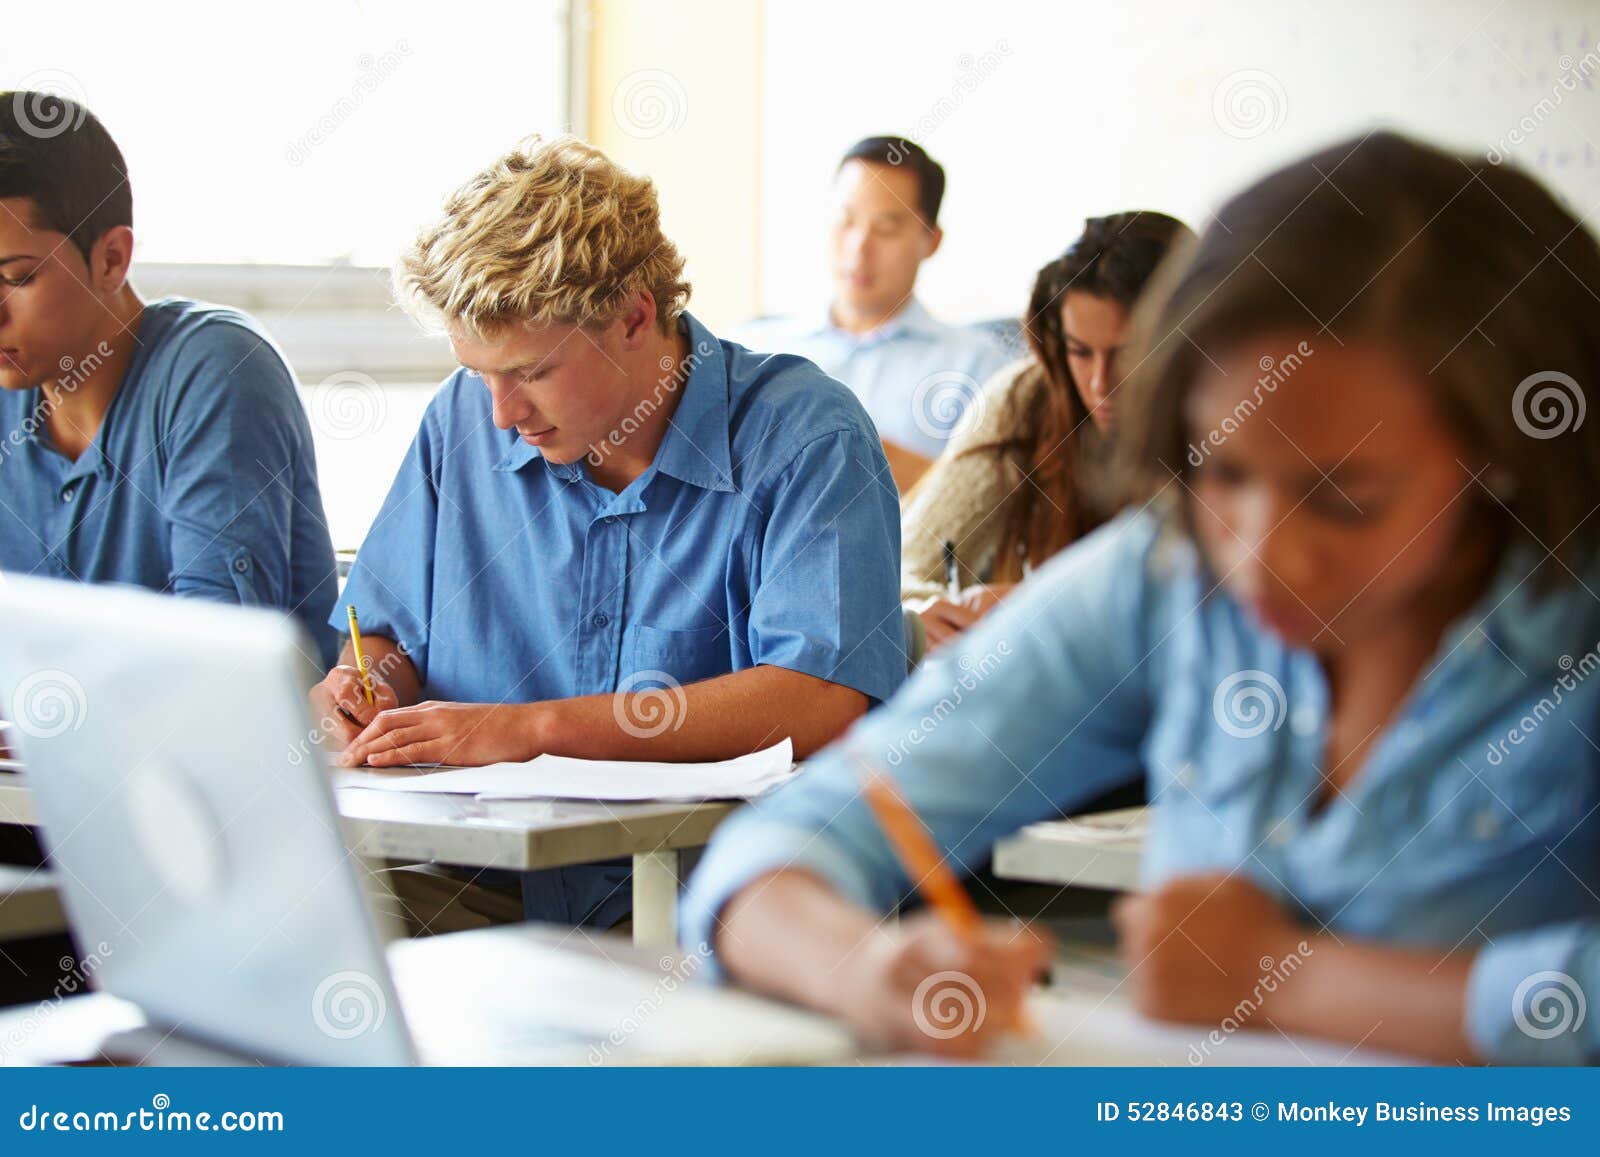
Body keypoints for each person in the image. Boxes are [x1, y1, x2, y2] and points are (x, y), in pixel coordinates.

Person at [683, 132, 1600, 1065]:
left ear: (1508, 459)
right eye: (1225, 473)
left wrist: (1283, 977)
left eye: (1346, 498)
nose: (1262, 556)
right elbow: (791, 838)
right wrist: (869, 970)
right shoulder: (1162, 574)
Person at [310, 136, 905, 928]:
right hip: (480, 886)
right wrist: (366, 688)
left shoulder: (806, 437)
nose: (500, 413)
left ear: (634, 317)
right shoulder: (461, 422)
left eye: (530, 373)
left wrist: (532, 731)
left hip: (711, 904)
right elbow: (383, 637)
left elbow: (822, 698)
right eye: (480, 373)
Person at [0, 93, 339, 665]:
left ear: (111, 259)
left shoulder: (217, 373)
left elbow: (217, 668)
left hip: (216, 751)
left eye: (17, 277)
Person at [903, 212, 1192, 660]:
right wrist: (931, 611)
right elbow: (905, 568)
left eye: (1127, 353)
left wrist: (1038, 607)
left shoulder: (1236, 426)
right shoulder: (1024, 399)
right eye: (1080, 352)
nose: (1100, 383)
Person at [736, 136, 1012, 490]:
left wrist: (860, 451)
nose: (859, 248)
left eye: (885, 228)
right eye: (845, 221)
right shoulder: (752, 348)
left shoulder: (979, 369)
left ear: (931, 240)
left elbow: (995, 504)